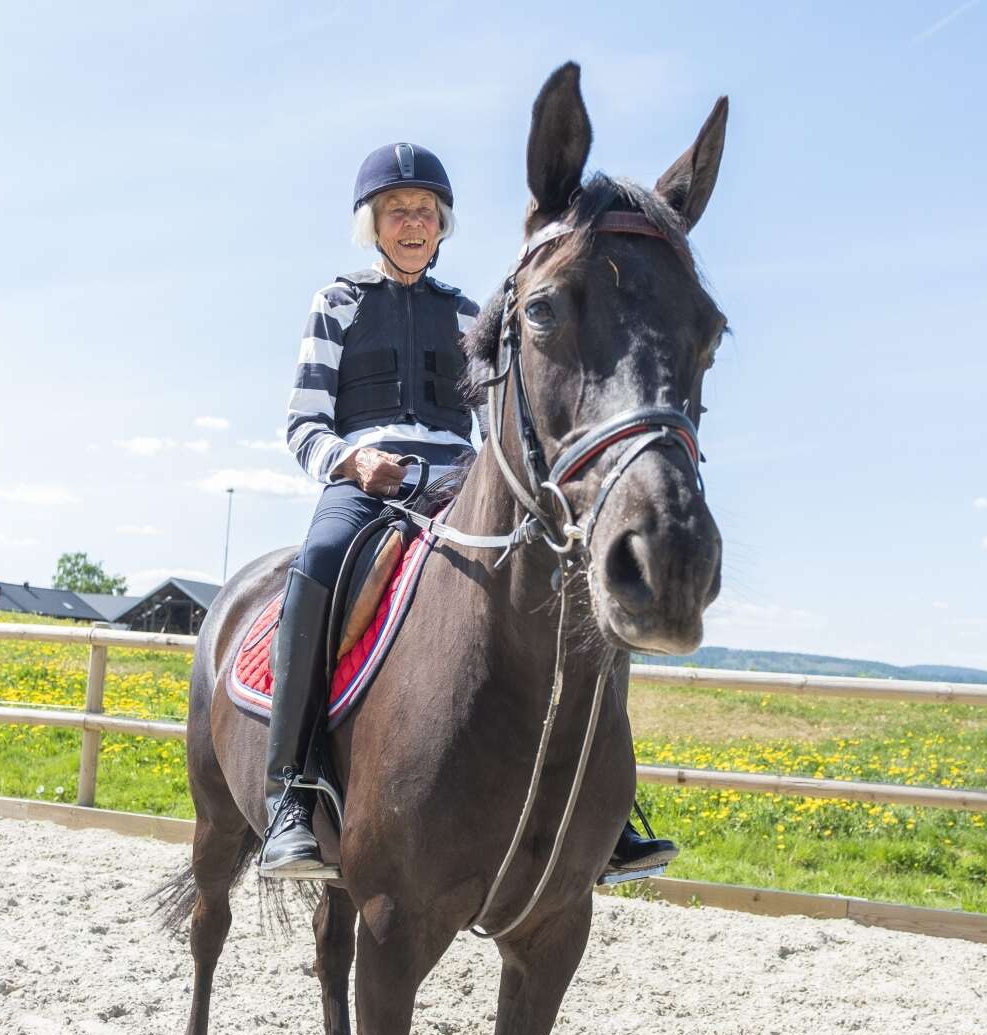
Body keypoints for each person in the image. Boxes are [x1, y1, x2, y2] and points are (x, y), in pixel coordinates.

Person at [258, 143, 679, 880]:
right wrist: (352, 461)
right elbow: (302, 424)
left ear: (441, 224)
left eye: (424, 211)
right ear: (372, 224)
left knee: (576, 583)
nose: (412, 223)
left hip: (458, 481)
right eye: (396, 212)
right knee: (319, 564)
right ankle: (290, 790)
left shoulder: (467, 312)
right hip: (365, 483)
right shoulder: (338, 304)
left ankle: (608, 806)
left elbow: (500, 419)